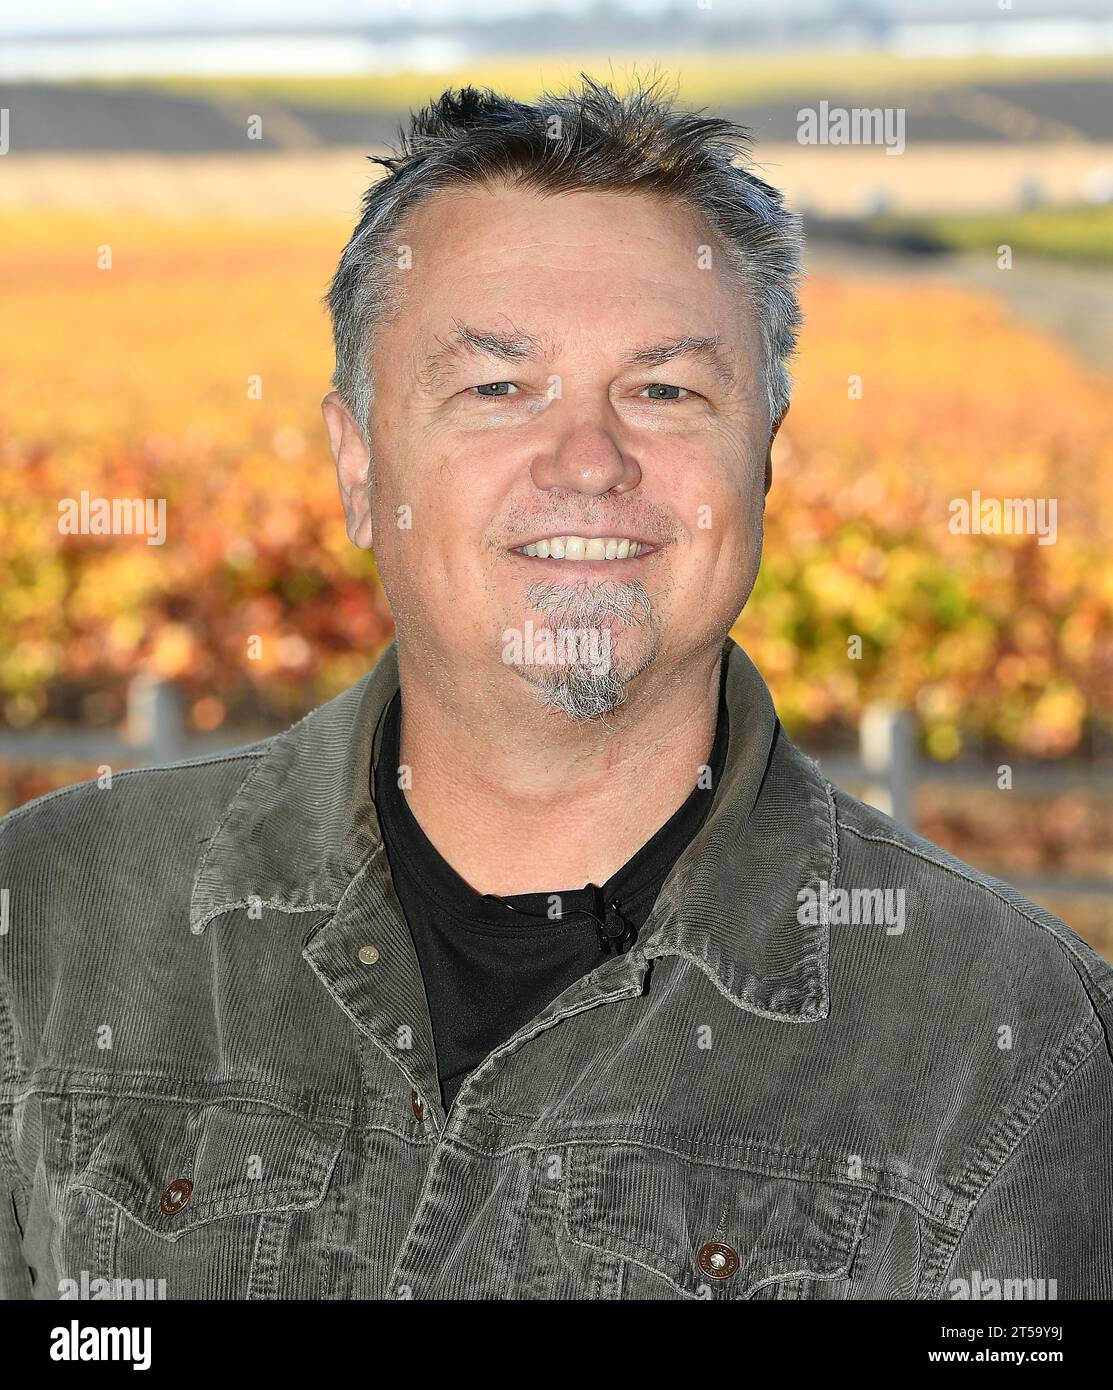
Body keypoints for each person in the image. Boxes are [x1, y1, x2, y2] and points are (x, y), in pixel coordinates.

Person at [2, 76, 1110, 1302]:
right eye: (496, 388)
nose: (590, 462)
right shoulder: (44, 925)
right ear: (358, 465)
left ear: (765, 462)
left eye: (667, 391)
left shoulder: (1016, 1044)